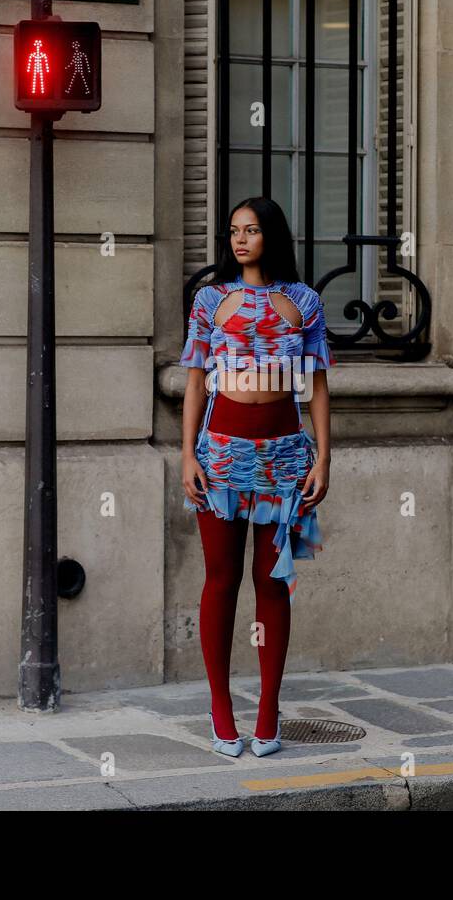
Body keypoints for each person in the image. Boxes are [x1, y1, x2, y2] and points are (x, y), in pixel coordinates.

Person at [180, 196, 333, 757]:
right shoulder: (210, 300)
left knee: (273, 582)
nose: (239, 240)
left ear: (273, 235)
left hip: (286, 457)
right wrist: (187, 454)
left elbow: (316, 384)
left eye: (251, 230)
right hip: (219, 454)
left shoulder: (303, 302)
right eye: (233, 231)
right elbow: (196, 381)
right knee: (220, 580)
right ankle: (221, 709)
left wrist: (323, 455)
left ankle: (268, 711)